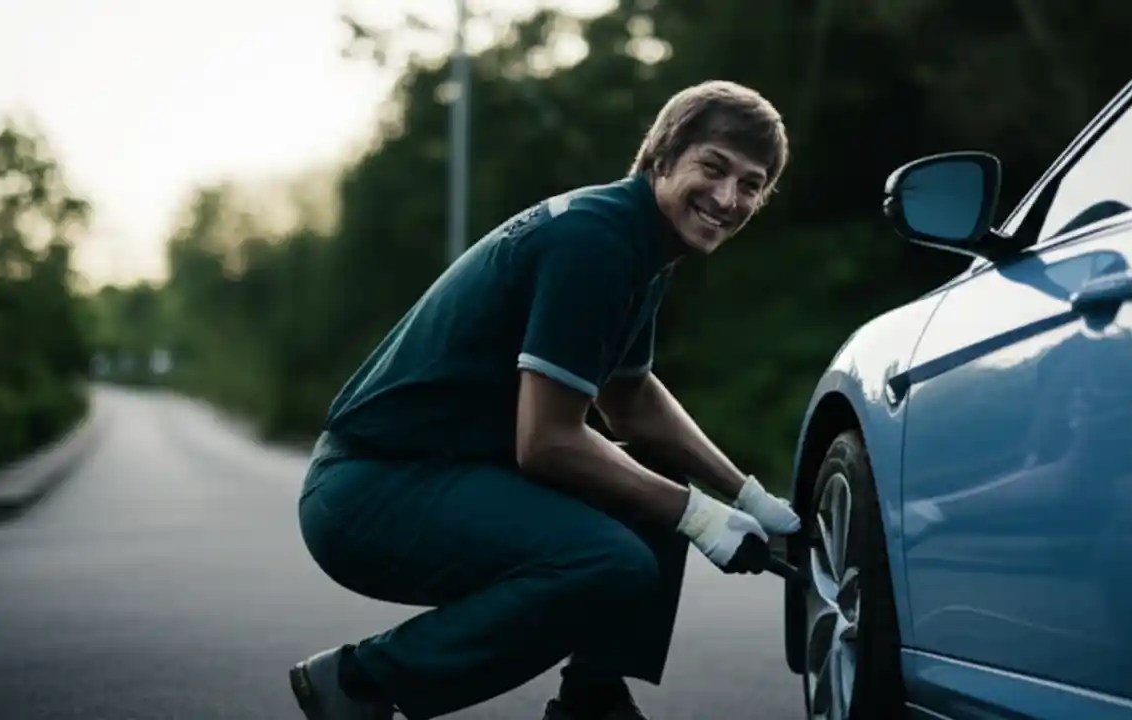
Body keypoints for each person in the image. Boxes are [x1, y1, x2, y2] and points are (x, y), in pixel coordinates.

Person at [289, 79, 800, 720]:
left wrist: (748, 496)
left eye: (751, 185)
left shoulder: (638, 240)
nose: (728, 199)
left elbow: (631, 398)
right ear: (663, 157)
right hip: (368, 491)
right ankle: (362, 680)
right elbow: (547, 443)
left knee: (653, 481)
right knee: (611, 560)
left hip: (433, 471)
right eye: (713, 168)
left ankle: (593, 700)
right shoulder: (598, 242)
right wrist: (700, 518)